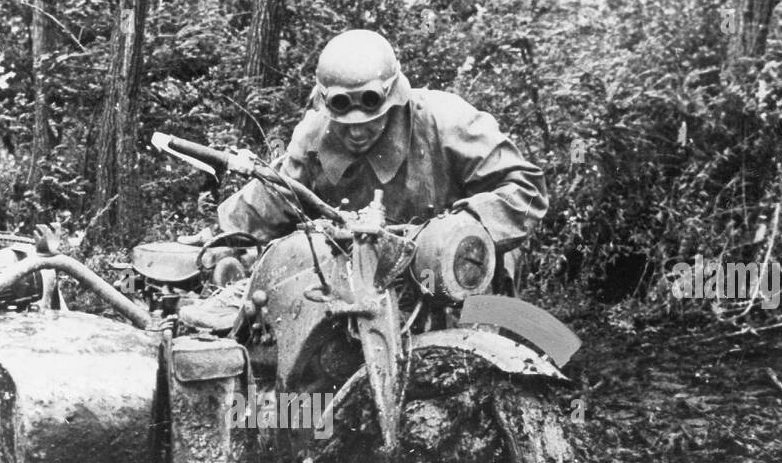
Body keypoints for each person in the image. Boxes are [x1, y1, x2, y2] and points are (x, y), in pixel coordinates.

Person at [179, 29, 547, 329]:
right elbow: (277, 194)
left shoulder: (445, 120)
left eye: (371, 117)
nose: (357, 133)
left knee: (483, 371)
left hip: (459, 279)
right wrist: (221, 236)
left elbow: (526, 189)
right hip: (364, 288)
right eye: (345, 121)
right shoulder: (316, 135)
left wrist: (460, 227)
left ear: (394, 98)